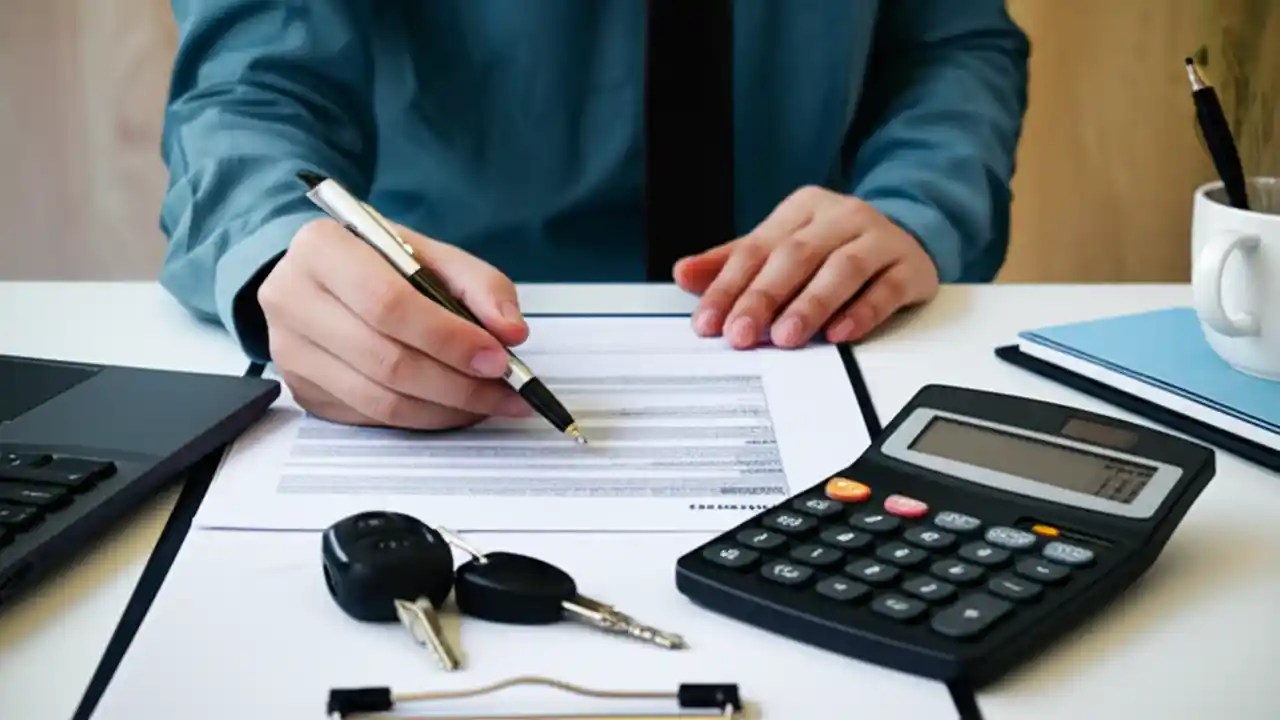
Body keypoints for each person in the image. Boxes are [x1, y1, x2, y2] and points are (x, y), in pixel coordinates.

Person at [158, 1, 1029, 431]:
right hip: (433, 332)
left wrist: (914, 206)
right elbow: (250, 86)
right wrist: (278, 249)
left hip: (821, 336)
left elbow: (949, 44)